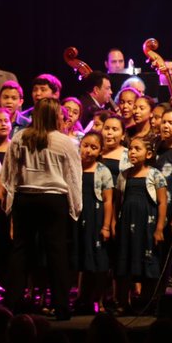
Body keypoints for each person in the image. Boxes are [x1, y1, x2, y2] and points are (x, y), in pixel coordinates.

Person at [1, 97, 82, 320]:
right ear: (56, 116)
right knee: (57, 252)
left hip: (25, 198)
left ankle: (13, 303)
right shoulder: (65, 142)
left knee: (21, 251)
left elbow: (9, 175)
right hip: (53, 199)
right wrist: (75, 206)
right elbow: (74, 177)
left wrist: (10, 202)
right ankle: (62, 307)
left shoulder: (19, 137)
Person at [115, 135, 167, 311]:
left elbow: (162, 202)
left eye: (137, 149)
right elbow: (117, 202)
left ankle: (147, 302)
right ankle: (123, 302)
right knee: (125, 260)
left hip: (147, 224)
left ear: (149, 154)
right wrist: (114, 223)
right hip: (127, 224)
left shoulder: (155, 175)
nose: (133, 152)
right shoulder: (124, 175)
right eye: (131, 149)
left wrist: (159, 228)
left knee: (148, 260)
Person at [70, 130, 114, 315]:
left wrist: (105, 226)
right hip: (77, 216)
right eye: (86, 146)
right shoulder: (73, 167)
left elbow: (108, 200)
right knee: (79, 259)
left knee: (97, 260)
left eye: (94, 147)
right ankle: (80, 299)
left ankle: (100, 300)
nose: (88, 151)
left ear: (100, 151)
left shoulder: (103, 171)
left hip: (95, 217)